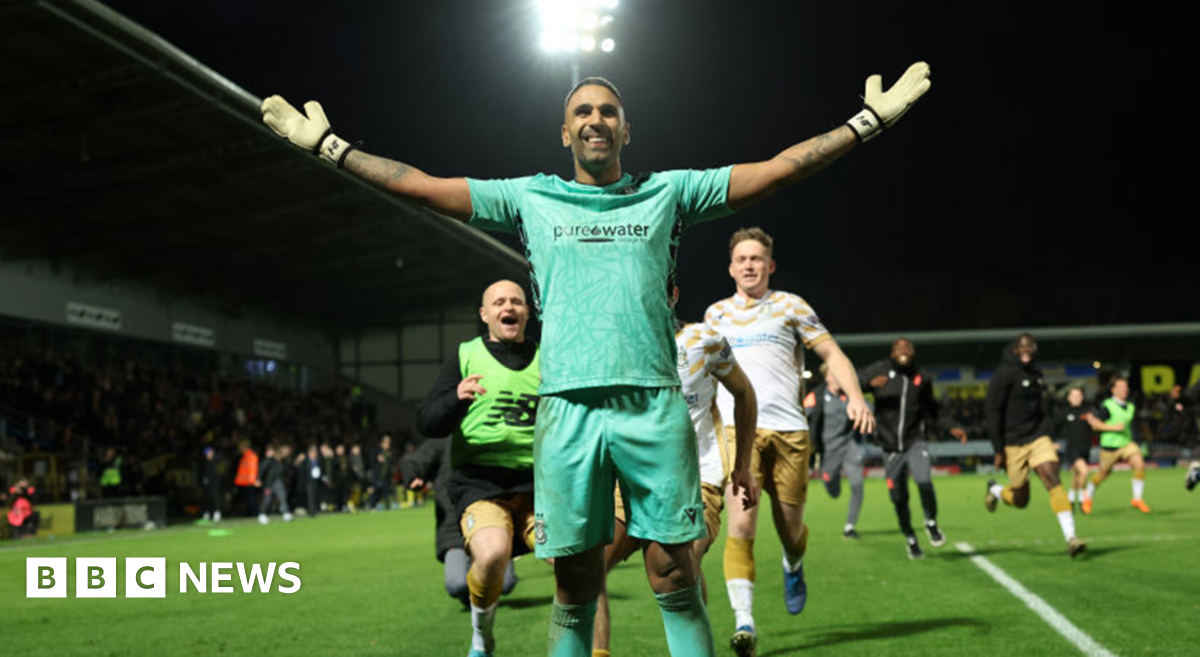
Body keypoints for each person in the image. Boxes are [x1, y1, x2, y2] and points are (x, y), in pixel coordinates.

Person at [263, 61, 931, 657]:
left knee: (675, 569)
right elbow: (423, 187)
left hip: (652, 407)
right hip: (567, 413)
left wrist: (865, 123)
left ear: (626, 129)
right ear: (564, 132)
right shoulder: (529, 197)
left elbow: (776, 171)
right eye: (582, 110)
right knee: (576, 578)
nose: (594, 119)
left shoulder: (669, 192)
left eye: (607, 110)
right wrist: (331, 148)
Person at [706, 227, 875, 654]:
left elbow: (832, 353)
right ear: (731, 268)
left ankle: (793, 562)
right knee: (741, 523)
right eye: (742, 259)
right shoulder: (716, 315)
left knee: (791, 529)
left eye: (757, 258)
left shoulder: (791, 306)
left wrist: (856, 397)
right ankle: (744, 622)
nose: (749, 265)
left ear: (770, 265)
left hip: (791, 432)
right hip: (737, 431)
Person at [593, 307, 760, 657]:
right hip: (631, 481)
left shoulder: (704, 340)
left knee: (678, 573)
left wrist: (742, 465)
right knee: (587, 567)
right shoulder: (615, 342)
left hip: (695, 478)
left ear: (672, 295)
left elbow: (744, 393)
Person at [417, 280, 541, 657]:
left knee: (577, 563)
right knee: (490, 556)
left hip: (540, 486)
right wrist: (455, 398)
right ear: (485, 314)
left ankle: (581, 645)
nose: (510, 307)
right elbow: (427, 422)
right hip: (481, 483)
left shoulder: (548, 357)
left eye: (517, 301)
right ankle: (481, 639)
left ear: (527, 312)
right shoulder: (465, 355)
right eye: (499, 302)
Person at [859, 338, 965, 559]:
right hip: (889, 447)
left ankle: (931, 522)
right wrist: (868, 385)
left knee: (924, 480)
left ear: (913, 352)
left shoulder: (921, 378)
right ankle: (910, 539)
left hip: (915, 441)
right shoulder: (879, 369)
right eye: (899, 348)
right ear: (892, 352)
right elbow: (851, 382)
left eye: (907, 348)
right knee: (898, 498)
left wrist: (952, 426)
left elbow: (933, 409)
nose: (903, 351)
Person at [982, 334, 1085, 556]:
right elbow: (992, 412)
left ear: (1035, 350)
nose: (1026, 351)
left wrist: (1047, 434)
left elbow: (1040, 410)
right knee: (1020, 500)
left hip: (1037, 437)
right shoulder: (1004, 374)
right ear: (1016, 350)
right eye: (1022, 348)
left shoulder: (1037, 374)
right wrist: (998, 449)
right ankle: (996, 490)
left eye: (1030, 348)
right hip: (1012, 443)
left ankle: (1071, 538)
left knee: (1052, 479)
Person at [401, 436, 519, 609]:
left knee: (506, 583)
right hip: (455, 523)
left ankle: (480, 572)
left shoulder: (492, 434)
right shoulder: (445, 439)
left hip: (491, 518)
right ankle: (472, 590)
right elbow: (414, 461)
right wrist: (413, 476)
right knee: (456, 584)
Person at [804, 363, 867, 540]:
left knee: (857, 484)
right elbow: (802, 414)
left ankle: (850, 526)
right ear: (827, 377)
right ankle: (830, 479)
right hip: (828, 450)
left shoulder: (851, 395)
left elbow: (867, 408)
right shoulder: (817, 395)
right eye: (834, 374)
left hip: (849, 445)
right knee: (833, 490)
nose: (839, 378)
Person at [1082, 376, 1151, 514]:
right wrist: (1113, 428)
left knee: (1139, 463)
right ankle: (1087, 497)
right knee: (1103, 474)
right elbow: (1096, 425)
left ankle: (1137, 499)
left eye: (1125, 387)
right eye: (1120, 387)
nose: (1124, 389)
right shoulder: (1106, 406)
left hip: (1126, 443)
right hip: (1110, 446)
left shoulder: (1131, 406)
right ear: (1113, 390)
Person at [1053, 386, 1094, 509]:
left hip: (1085, 448)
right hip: (1072, 449)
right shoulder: (1064, 412)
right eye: (1074, 396)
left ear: (1082, 397)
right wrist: (1053, 442)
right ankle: (1083, 498)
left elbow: (1095, 426)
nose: (1077, 398)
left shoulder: (1088, 411)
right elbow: (1052, 427)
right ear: (1069, 398)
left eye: (1079, 395)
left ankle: (1070, 498)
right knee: (1084, 472)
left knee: (1077, 475)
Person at [257, 445, 293, 524]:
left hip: (278, 482)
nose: (287, 453)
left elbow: (287, 470)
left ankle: (285, 513)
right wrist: (258, 479)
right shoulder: (269, 460)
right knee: (267, 499)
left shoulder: (284, 461)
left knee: (282, 496)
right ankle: (262, 515)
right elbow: (261, 468)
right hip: (269, 483)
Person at [233, 440, 259, 516]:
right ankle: (251, 513)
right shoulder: (245, 456)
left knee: (251, 499)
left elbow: (253, 469)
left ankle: (255, 513)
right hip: (244, 482)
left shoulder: (251, 456)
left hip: (249, 482)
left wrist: (252, 481)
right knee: (248, 499)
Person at [201, 446, 222, 523]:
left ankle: (217, 512)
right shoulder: (205, 462)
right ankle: (207, 513)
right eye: (207, 454)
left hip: (215, 482)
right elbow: (204, 473)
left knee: (215, 497)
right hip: (207, 483)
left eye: (209, 453)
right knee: (207, 497)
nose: (208, 455)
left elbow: (219, 471)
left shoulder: (217, 460)